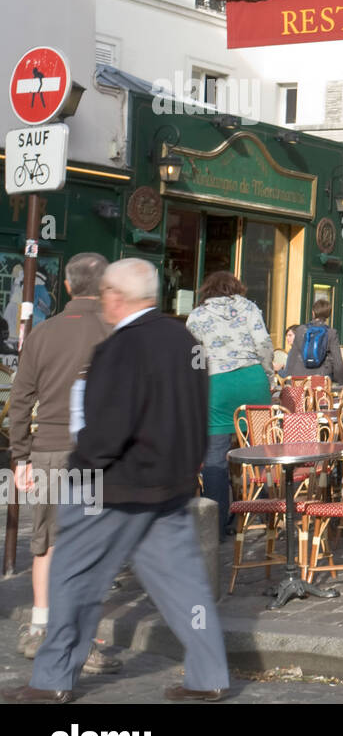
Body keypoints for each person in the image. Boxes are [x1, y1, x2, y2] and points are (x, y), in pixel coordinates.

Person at [3, 258, 230, 703]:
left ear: (117, 297)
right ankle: (210, 675)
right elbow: (197, 416)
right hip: (170, 489)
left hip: (112, 488)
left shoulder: (121, 348)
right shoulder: (184, 340)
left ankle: (52, 680)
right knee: (185, 590)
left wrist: (79, 469)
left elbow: (108, 428)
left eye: (108, 293)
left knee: (73, 580)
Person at [8, 253, 114, 671]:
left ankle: (40, 625)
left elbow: (20, 401)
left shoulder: (43, 332)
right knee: (90, 544)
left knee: (47, 541)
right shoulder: (114, 332)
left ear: (66, 287)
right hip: (97, 454)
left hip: (49, 448)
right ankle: (84, 636)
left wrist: (19, 455)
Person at [185, 272, 274, 538]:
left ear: (206, 290)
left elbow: (195, 358)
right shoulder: (249, 307)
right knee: (260, 452)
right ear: (236, 288)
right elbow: (263, 345)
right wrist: (268, 375)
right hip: (252, 380)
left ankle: (216, 525)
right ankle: (268, 513)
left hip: (217, 385)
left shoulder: (197, 317)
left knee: (215, 457)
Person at [284, 298, 343, 386]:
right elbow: (337, 361)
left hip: (299, 379)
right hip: (320, 380)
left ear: (313, 312)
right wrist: (342, 382)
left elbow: (292, 357)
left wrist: (288, 380)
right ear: (328, 315)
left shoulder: (300, 330)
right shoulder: (331, 333)